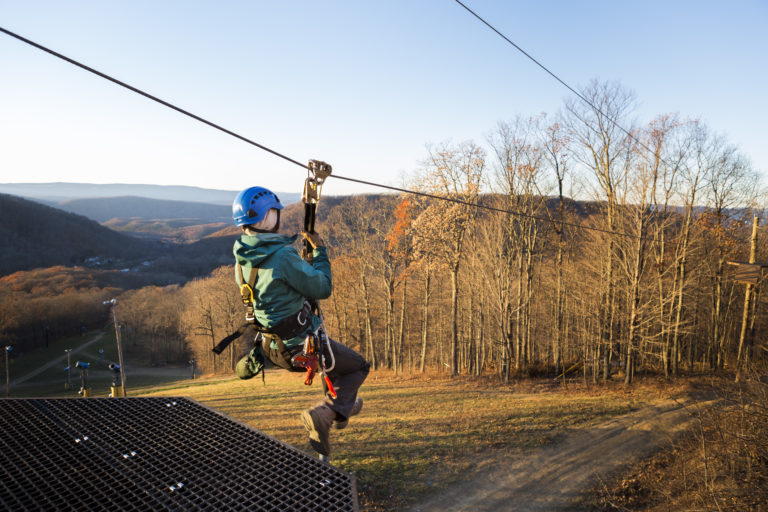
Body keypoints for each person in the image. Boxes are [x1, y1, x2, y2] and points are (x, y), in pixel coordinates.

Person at [231, 185, 370, 457]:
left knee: (337, 372)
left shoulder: (242, 262)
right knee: (358, 367)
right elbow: (322, 287)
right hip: (302, 349)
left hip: (273, 348)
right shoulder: (282, 257)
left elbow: (278, 295)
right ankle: (328, 412)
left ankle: (339, 408)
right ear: (268, 218)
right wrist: (320, 252)